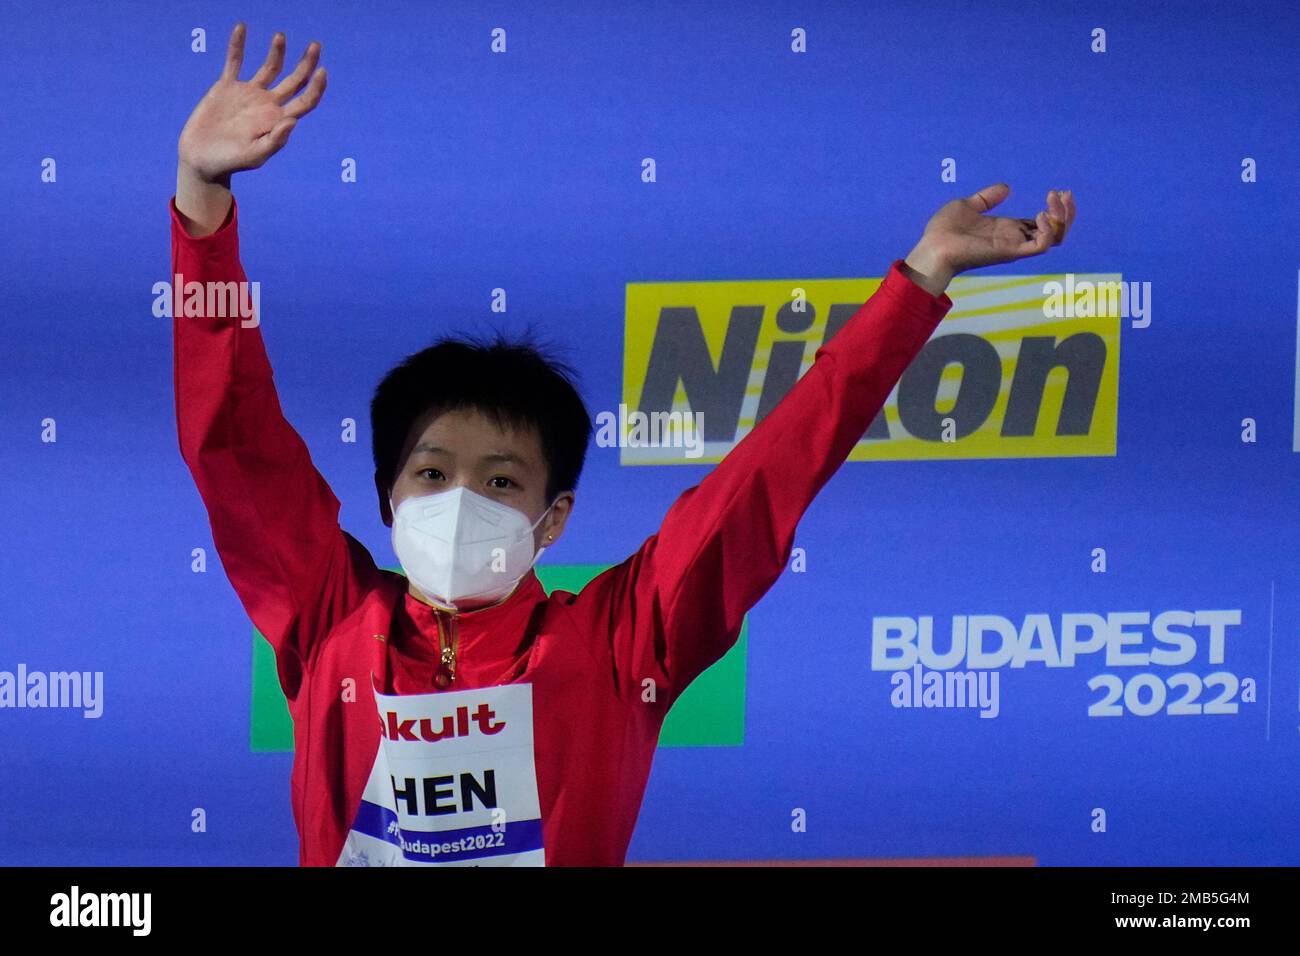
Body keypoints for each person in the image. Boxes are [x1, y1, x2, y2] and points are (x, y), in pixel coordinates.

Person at [171, 23, 1075, 867]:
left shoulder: (619, 644)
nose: (458, 500)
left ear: (554, 517)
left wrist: (920, 282)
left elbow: (769, 475)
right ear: (387, 498)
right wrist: (202, 199)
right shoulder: (328, 618)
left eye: (500, 480)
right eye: (432, 473)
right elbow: (231, 439)